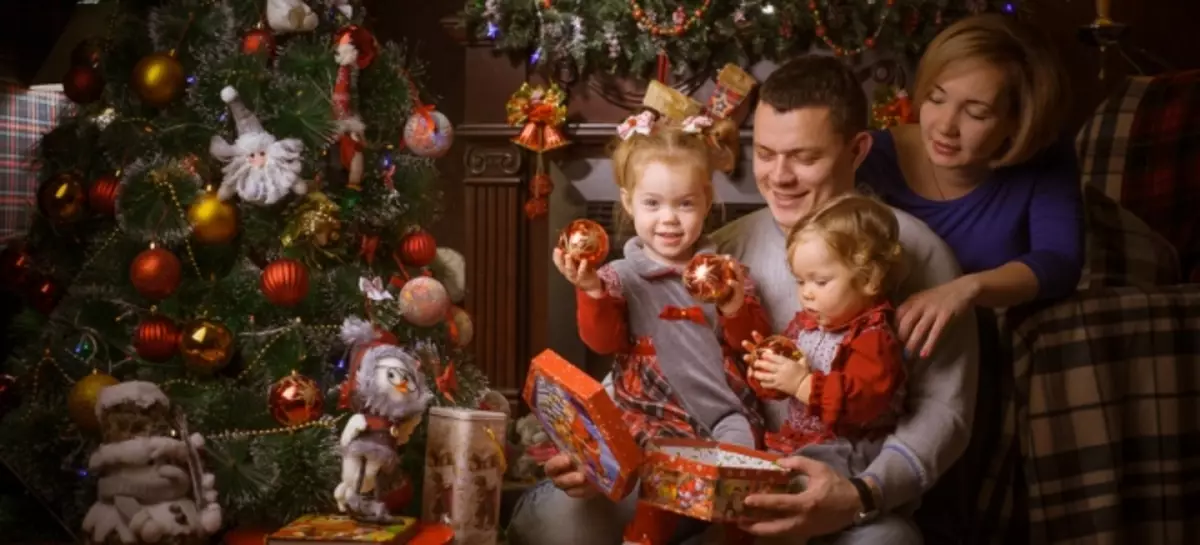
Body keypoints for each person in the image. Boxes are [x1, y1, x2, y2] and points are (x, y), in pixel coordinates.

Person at [508, 55, 980, 545]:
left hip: (838, 491)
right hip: (700, 470)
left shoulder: (912, 253)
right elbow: (654, 351)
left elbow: (945, 411)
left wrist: (862, 493)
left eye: (805, 157)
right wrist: (598, 443)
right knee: (552, 522)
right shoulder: (719, 251)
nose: (780, 176)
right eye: (767, 154)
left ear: (857, 149)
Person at [855, 14, 1084, 541]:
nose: (944, 125)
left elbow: (1060, 259)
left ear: (1017, 120)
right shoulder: (876, 155)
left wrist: (968, 286)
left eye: (976, 111)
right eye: (936, 98)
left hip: (976, 374)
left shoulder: (1043, 161)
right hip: (874, 368)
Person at [551, 110, 768, 545]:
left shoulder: (727, 272)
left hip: (721, 412)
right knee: (657, 490)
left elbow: (751, 346)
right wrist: (590, 291)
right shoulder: (619, 276)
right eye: (653, 204)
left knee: (744, 485)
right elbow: (603, 340)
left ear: (707, 201)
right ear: (629, 203)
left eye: (685, 203)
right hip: (648, 416)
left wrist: (734, 305)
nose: (669, 219)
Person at [745, 194, 908, 475]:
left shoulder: (873, 338)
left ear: (869, 279)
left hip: (846, 448)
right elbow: (786, 382)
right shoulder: (806, 325)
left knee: (787, 480)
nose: (806, 292)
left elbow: (864, 401)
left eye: (820, 282)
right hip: (800, 441)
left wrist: (802, 384)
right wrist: (770, 372)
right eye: (800, 281)